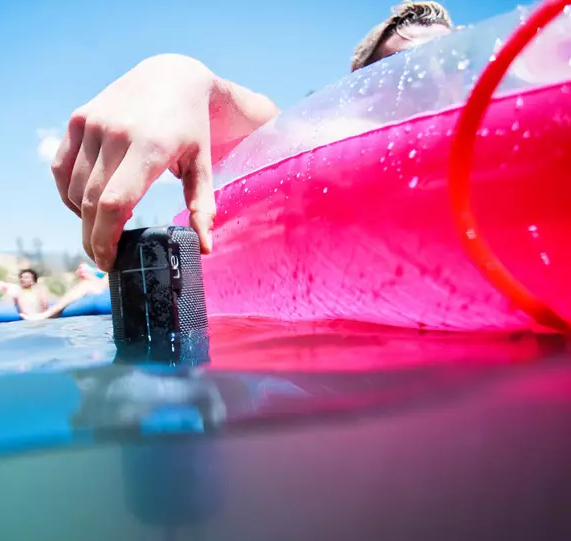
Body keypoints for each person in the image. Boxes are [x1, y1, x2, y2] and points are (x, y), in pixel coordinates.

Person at [52, 3, 455, 272]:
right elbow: (270, 132)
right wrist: (180, 76)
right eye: (405, 67)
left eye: (454, 58)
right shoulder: (335, 153)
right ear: (356, 94)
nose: (434, 76)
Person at [30, 262, 109, 320]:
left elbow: (102, 285)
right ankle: (49, 310)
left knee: (86, 285)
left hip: (105, 291)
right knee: (85, 284)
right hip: (105, 287)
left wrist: (90, 276)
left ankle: (49, 312)